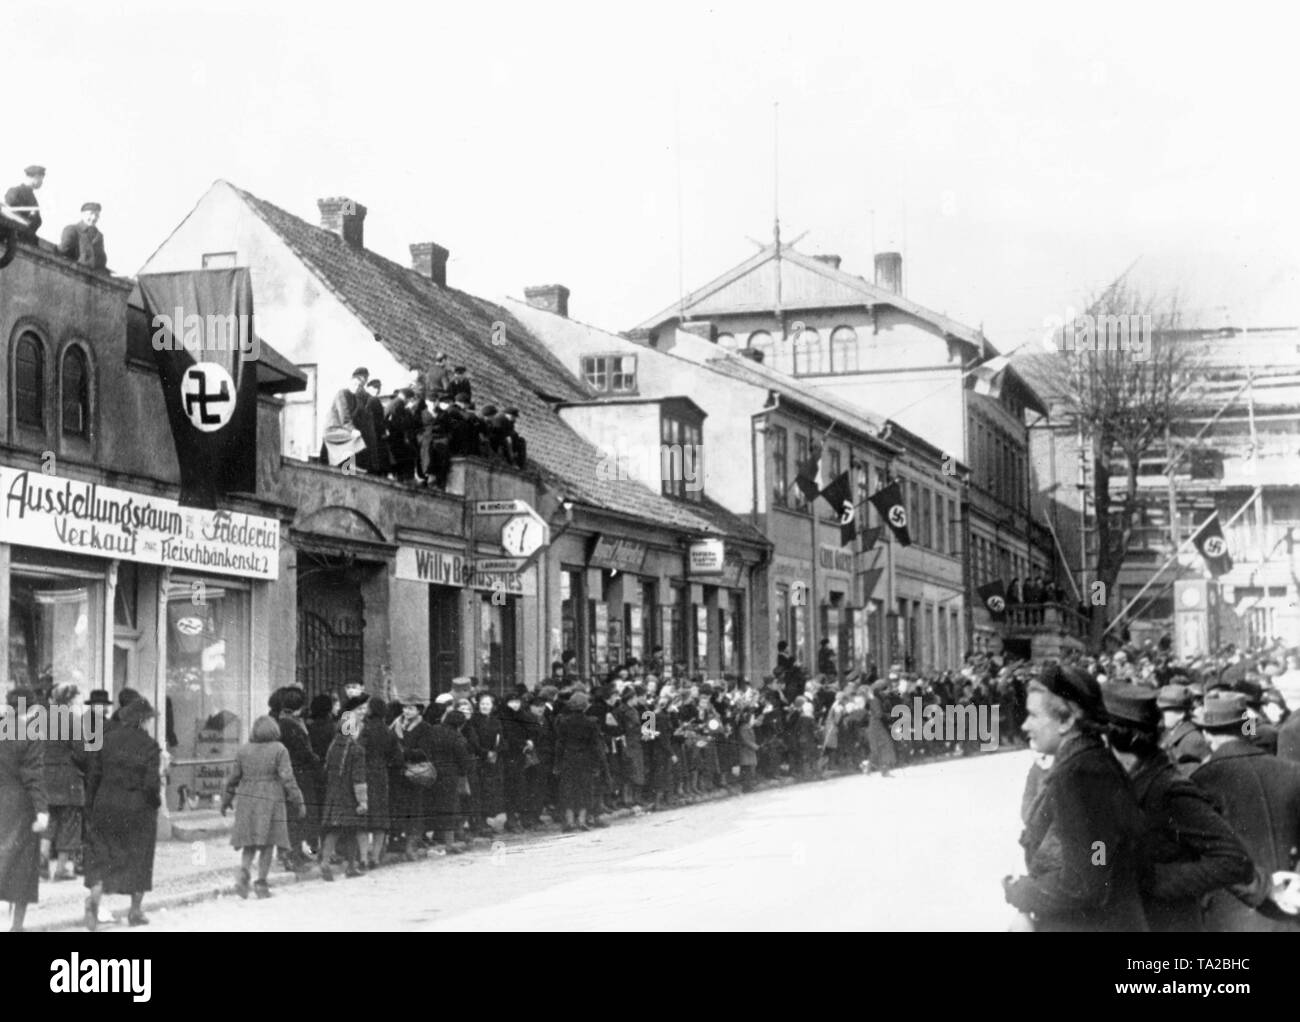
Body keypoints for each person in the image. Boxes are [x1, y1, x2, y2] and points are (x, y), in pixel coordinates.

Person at [1003, 664, 1148, 931]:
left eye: (1034, 716)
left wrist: (1022, 892)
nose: (1025, 725)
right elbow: (1097, 857)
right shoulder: (1091, 762)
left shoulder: (1079, 776)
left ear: (1068, 720)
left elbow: (1088, 880)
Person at [1102, 684, 1254, 932]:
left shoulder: (1170, 790)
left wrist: (1153, 880)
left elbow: (1235, 861)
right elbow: (1101, 847)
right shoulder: (1117, 784)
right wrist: (1098, 865)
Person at [1191, 692, 1300, 931]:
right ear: (1246, 727)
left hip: (1230, 916)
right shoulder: (1292, 771)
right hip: (1291, 910)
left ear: (1207, 734)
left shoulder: (1200, 781)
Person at [83, 697, 160, 930]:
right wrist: (154, 804)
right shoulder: (150, 746)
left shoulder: (106, 740)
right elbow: (151, 784)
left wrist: (92, 806)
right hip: (137, 808)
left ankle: (93, 902)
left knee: (101, 856)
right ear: (144, 721)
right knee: (140, 858)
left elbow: (93, 775)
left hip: (105, 805)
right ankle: (135, 911)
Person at [222, 716, 305, 899]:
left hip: (247, 799)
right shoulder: (279, 749)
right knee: (268, 843)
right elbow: (287, 778)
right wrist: (298, 801)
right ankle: (261, 883)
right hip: (271, 799)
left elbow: (233, 778)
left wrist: (226, 799)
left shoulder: (243, 750)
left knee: (249, 842)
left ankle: (243, 873)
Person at [0, 688, 49, 932]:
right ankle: (16, 927)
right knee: (21, 867)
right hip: (20, 806)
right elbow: (34, 775)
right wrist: (42, 810)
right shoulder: (31, 734)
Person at [270, 687, 321, 869]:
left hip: (294, 773)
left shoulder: (283, 723)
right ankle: (292, 856)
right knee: (296, 815)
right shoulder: (291, 726)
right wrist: (315, 759)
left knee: (294, 816)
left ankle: (295, 852)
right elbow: (303, 751)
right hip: (299, 774)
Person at [40, 682, 85, 882]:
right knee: (69, 822)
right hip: (68, 778)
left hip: (44, 776)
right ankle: (60, 870)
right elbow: (82, 752)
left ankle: (41, 864)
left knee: (48, 820)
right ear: (69, 699)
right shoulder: (73, 720)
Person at [318, 710, 368, 881]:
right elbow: (358, 778)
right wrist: (362, 801)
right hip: (349, 796)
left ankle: (324, 862)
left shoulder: (333, 747)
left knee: (333, 831)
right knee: (351, 831)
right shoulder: (357, 750)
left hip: (333, 794)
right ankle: (351, 867)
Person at [356, 696, 402, 869]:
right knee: (380, 818)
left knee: (363, 817)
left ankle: (362, 857)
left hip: (365, 774)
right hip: (381, 776)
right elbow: (397, 757)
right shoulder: (388, 731)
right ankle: (375, 857)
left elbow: (358, 751)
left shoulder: (365, 730)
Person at [390, 695, 436, 859]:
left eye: (410, 708)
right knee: (399, 809)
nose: (406, 711)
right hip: (398, 775)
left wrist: (404, 752)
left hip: (414, 776)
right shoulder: (395, 724)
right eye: (405, 708)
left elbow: (425, 752)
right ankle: (397, 841)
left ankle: (411, 845)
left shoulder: (424, 728)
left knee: (414, 810)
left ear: (418, 710)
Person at [555, 691, 605, 831]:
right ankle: (582, 821)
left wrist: (557, 763)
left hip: (569, 759)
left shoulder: (564, 722)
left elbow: (560, 744)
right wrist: (596, 764)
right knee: (585, 790)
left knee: (568, 790)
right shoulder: (591, 722)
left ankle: (570, 821)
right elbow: (595, 745)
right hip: (585, 760)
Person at [429, 709, 473, 852]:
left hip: (432, 772)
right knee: (450, 807)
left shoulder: (434, 730)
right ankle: (449, 843)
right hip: (450, 775)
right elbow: (463, 760)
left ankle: (434, 837)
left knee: (433, 805)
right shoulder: (457, 737)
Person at [1157, 684, 1211, 776]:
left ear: (1181, 713)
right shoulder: (1170, 733)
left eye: (1166, 710)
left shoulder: (1193, 740)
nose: (1163, 715)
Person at [320, 367, 369, 465]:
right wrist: (353, 430)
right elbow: (345, 417)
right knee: (356, 439)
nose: (358, 387)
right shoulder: (342, 394)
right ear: (351, 381)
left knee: (358, 438)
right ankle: (346, 467)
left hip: (343, 429)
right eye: (356, 384)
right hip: (333, 430)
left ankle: (347, 467)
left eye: (360, 386)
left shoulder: (355, 398)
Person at [58, 203, 107, 271]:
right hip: (75, 272)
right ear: (82, 214)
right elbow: (62, 251)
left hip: (93, 276)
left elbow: (101, 260)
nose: (94, 218)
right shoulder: (72, 229)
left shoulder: (99, 236)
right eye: (91, 214)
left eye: (97, 215)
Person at [4, 165, 45, 241]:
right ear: (33, 177)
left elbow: (37, 221)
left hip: (22, 236)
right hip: (9, 235)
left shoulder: (33, 199)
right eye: (40, 178)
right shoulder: (15, 191)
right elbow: (8, 213)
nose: (41, 182)